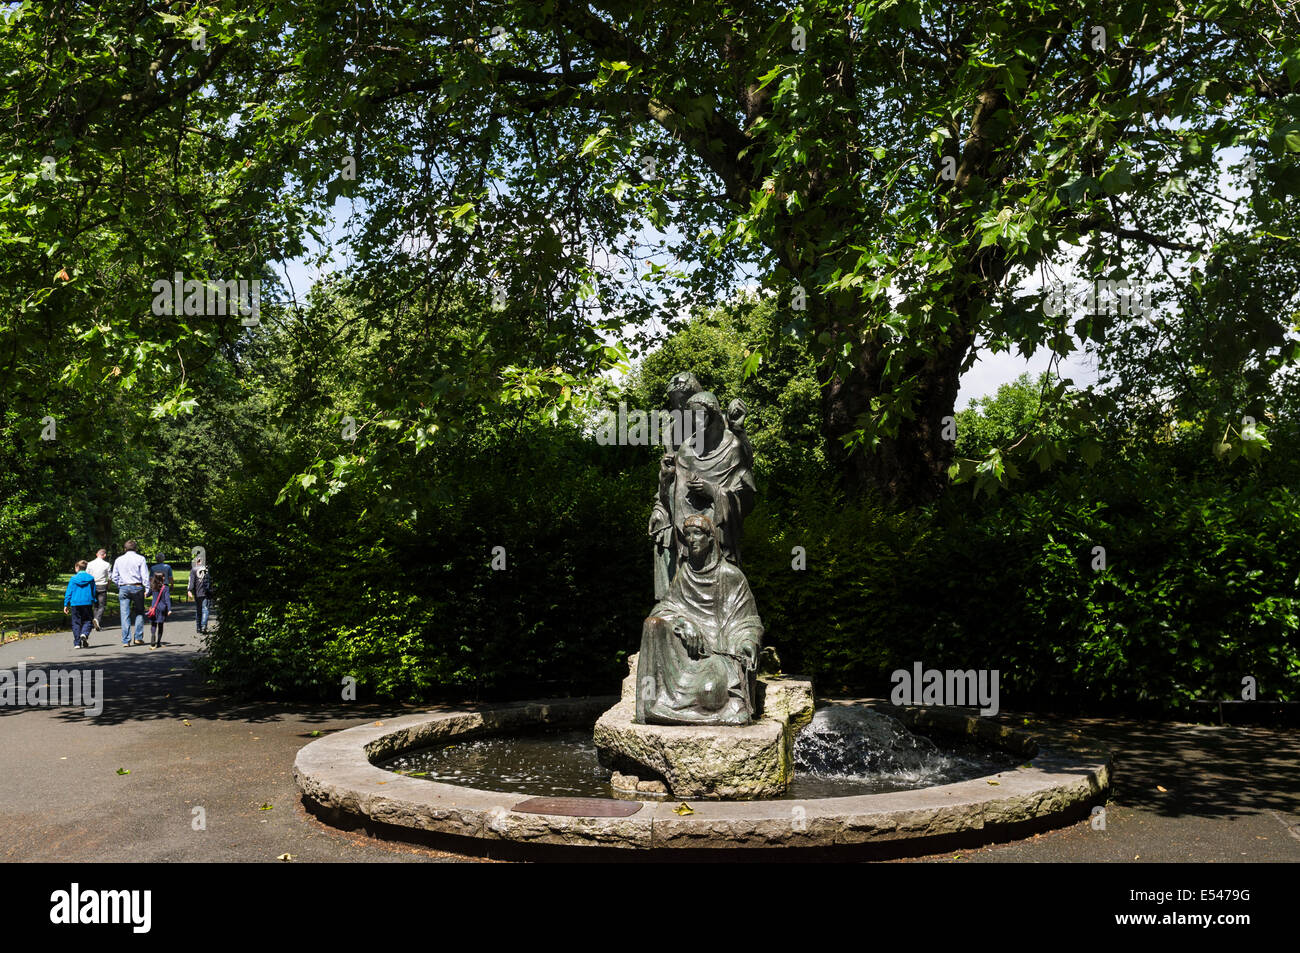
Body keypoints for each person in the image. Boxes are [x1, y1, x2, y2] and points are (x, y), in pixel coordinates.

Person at [635, 515, 764, 726]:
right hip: (686, 652)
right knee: (652, 624)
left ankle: (715, 709)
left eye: (697, 533)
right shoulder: (683, 575)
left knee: (709, 693)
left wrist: (748, 641)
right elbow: (663, 608)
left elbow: (748, 620)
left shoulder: (731, 576)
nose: (691, 539)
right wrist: (683, 623)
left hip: (718, 653)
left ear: (710, 538)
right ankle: (651, 706)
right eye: (687, 534)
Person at [111, 540, 151, 646]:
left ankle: (126, 640)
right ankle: (138, 637)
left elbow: (114, 576)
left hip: (124, 587)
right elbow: (145, 575)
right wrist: (147, 588)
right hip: (137, 587)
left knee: (124, 614)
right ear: (136, 549)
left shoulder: (119, 560)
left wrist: (120, 585)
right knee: (139, 612)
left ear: (125, 549)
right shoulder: (141, 558)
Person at [62, 559, 97, 649]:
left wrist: (66, 604)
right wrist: (94, 600)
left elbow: (69, 592)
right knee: (88, 621)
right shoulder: (91, 578)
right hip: (87, 602)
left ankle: (77, 643)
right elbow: (93, 591)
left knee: (76, 622)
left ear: (77, 568)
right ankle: (84, 633)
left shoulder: (73, 579)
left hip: (75, 603)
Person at [86, 548, 111, 631]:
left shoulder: (90, 564)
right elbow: (110, 577)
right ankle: (97, 620)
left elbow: (87, 575)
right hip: (102, 585)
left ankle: (96, 622)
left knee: (95, 605)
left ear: (97, 554)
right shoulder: (107, 564)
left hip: (92, 585)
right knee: (102, 605)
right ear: (104, 555)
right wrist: (108, 585)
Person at [146, 571, 171, 648]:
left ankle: (152, 638)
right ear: (161, 578)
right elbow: (167, 600)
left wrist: (146, 593)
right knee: (160, 625)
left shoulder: (153, 586)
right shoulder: (165, 588)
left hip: (154, 608)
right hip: (162, 609)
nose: (164, 578)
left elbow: (147, 595)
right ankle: (158, 642)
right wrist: (169, 609)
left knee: (153, 624)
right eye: (163, 576)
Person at [188, 559, 212, 635]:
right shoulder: (207, 569)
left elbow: (191, 581)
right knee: (205, 609)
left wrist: (189, 590)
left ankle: (198, 628)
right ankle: (203, 626)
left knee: (198, 610)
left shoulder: (193, 570)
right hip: (206, 592)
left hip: (197, 593)